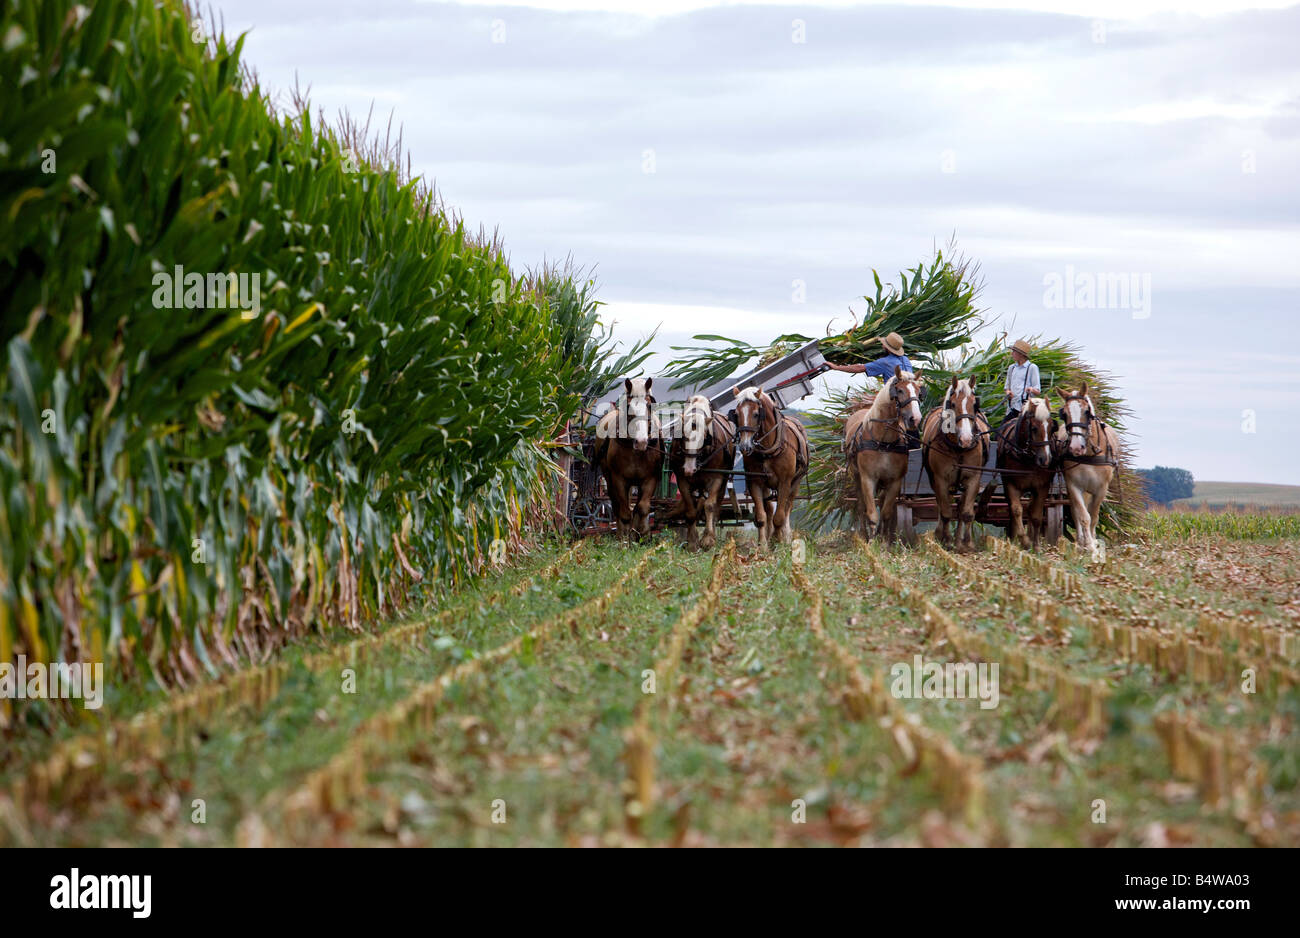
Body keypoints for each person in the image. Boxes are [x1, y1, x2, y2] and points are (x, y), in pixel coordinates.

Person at [826, 332, 913, 382]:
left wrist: (836, 367)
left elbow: (859, 368)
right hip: (908, 394)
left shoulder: (885, 362)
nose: (882, 346)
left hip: (895, 398)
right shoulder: (906, 360)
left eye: (884, 345)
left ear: (887, 348)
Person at [1003, 338, 1041, 423]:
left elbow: (1038, 391)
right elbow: (1007, 387)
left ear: (1021, 354)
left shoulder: (1032, 367)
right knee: (1001, 432)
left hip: (1025, 410)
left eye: (1014, 351)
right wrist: (1008, 392)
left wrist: (1031, 389)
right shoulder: (1011, 368)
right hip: (1011, 409)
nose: (1012, 354)